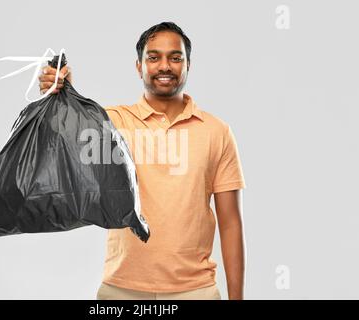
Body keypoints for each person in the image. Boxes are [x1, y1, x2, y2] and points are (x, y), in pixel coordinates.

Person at [38, 22, 247, 300]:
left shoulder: (216, 132)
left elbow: (230, 223)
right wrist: (61, 93)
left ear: (188, 65)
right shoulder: (112, 123)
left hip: (196, 291)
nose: (165, 66)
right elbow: (64, 140)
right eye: (153, 57)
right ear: (139, 66)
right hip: (121, 290)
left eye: (175, 58)